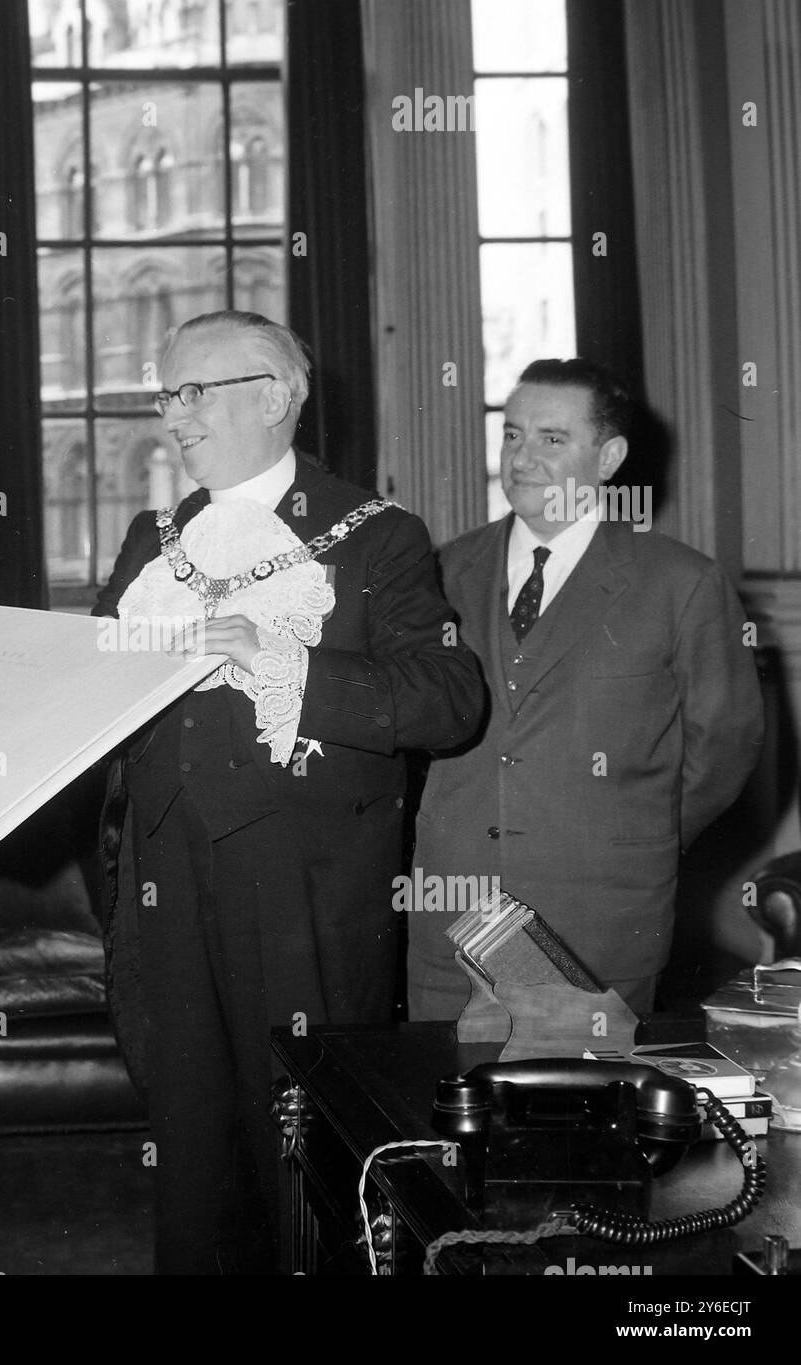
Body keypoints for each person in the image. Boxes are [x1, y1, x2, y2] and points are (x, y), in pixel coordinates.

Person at [94, 309, 484, 1273]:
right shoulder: (153, 537)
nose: (173, 416)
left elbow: (449, 697)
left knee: (303, 1152)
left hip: (302, 891)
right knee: (188, 1147)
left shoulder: (376, 534)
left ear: (273, 399)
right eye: (165, 395)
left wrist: (287, 663)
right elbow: (88, 692)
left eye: (194, 392)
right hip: (163, 880)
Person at [407, 359, 764, 1019]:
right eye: (512, 435)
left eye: (551, 439)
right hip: (452, 914)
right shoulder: (443, 572)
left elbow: (725, 745)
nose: (522, 457)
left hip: (600, 920)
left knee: (584, 1112)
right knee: (442, 1105)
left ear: (609, 457)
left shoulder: (679, 583)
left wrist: (635, 828)